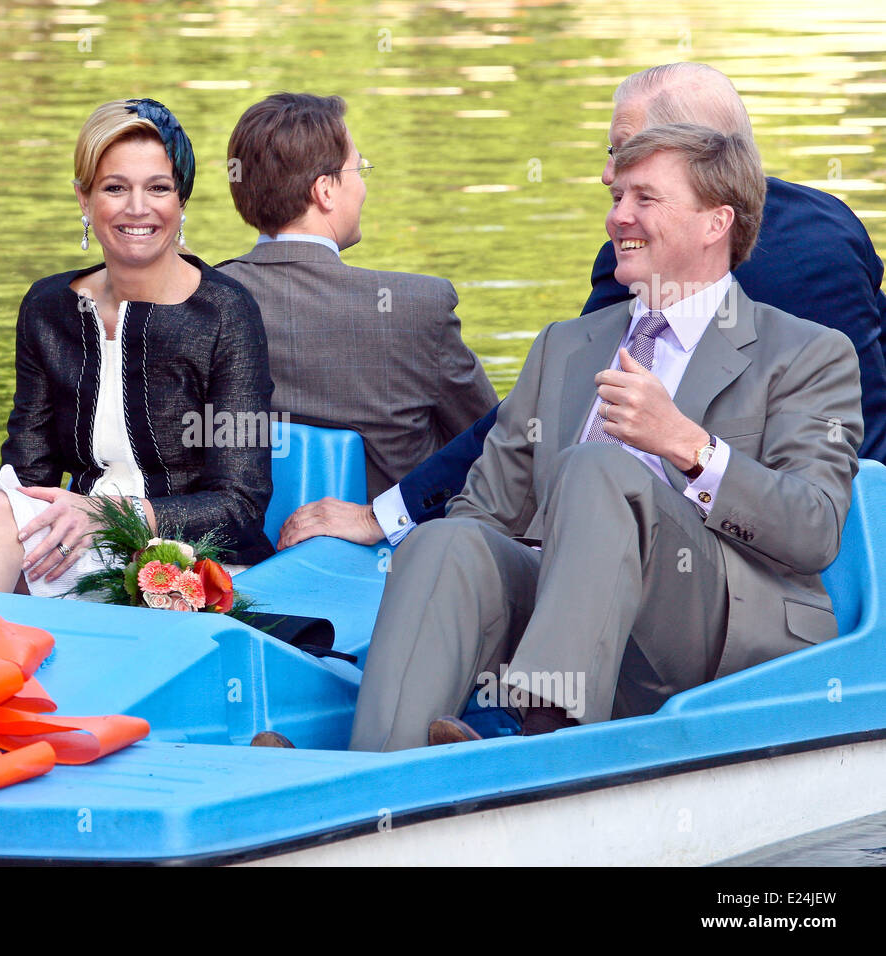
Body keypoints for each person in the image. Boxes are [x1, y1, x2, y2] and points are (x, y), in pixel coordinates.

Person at [350, 123, 862, 751]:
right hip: (556, 617)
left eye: (644, 199)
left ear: (715, 223)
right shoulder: (563, 346)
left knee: (598, 470)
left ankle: (551, 750)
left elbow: (814, 530)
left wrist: (687, 446)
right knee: (446, 539)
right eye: (617, 198)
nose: (619, 217)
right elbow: (483, 511)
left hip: (718, 628)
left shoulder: (808, 352)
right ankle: (375, 773)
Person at [276, 62, 886, 552]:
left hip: (736, 545)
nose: (605, 176)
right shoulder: (837, 222)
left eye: (626, 154)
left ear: (695, 153)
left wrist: (385, 514)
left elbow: (557, 403)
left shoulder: (641, 255)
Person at [0, 98, 275, 603]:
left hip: (192, 560)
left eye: (158, 188)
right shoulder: (48, 308)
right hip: (70, 539)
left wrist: (105, 514)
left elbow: (239, 506)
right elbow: (29, 472)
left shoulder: (225, 314)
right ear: (84, 200)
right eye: (115, 188)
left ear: (181, 202)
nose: (138, 207)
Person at [215, 92, 496, 500]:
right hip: (392, 556)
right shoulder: (417, 307)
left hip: (235, 556)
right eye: (359, 168)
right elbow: (493, 445)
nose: (362, 186)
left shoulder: (203, 300)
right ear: (325, 190)